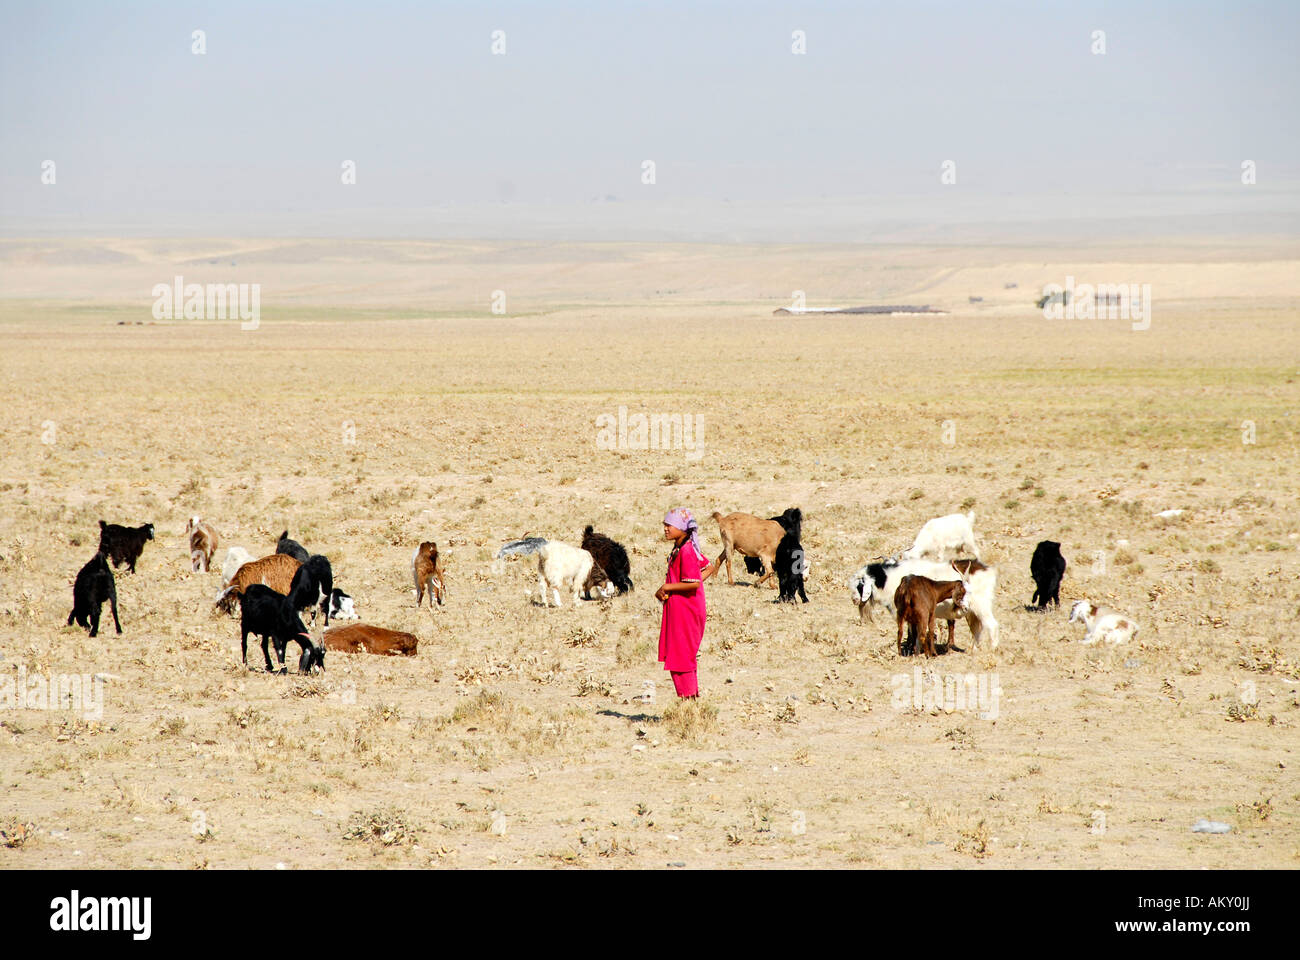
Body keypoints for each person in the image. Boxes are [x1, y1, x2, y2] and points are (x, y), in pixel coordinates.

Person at [656, 508, 711, 699]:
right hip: (682, 608)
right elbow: (708, 567)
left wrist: (668, 587)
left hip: (686, 611)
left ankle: (688, 700)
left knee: (681, 657)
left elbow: (694, 582)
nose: (665, 529)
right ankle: (691, 700)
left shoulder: (686, 551)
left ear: (681, 527)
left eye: (669, 525)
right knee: (682, 655)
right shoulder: (683, 546)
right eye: (664, 525)